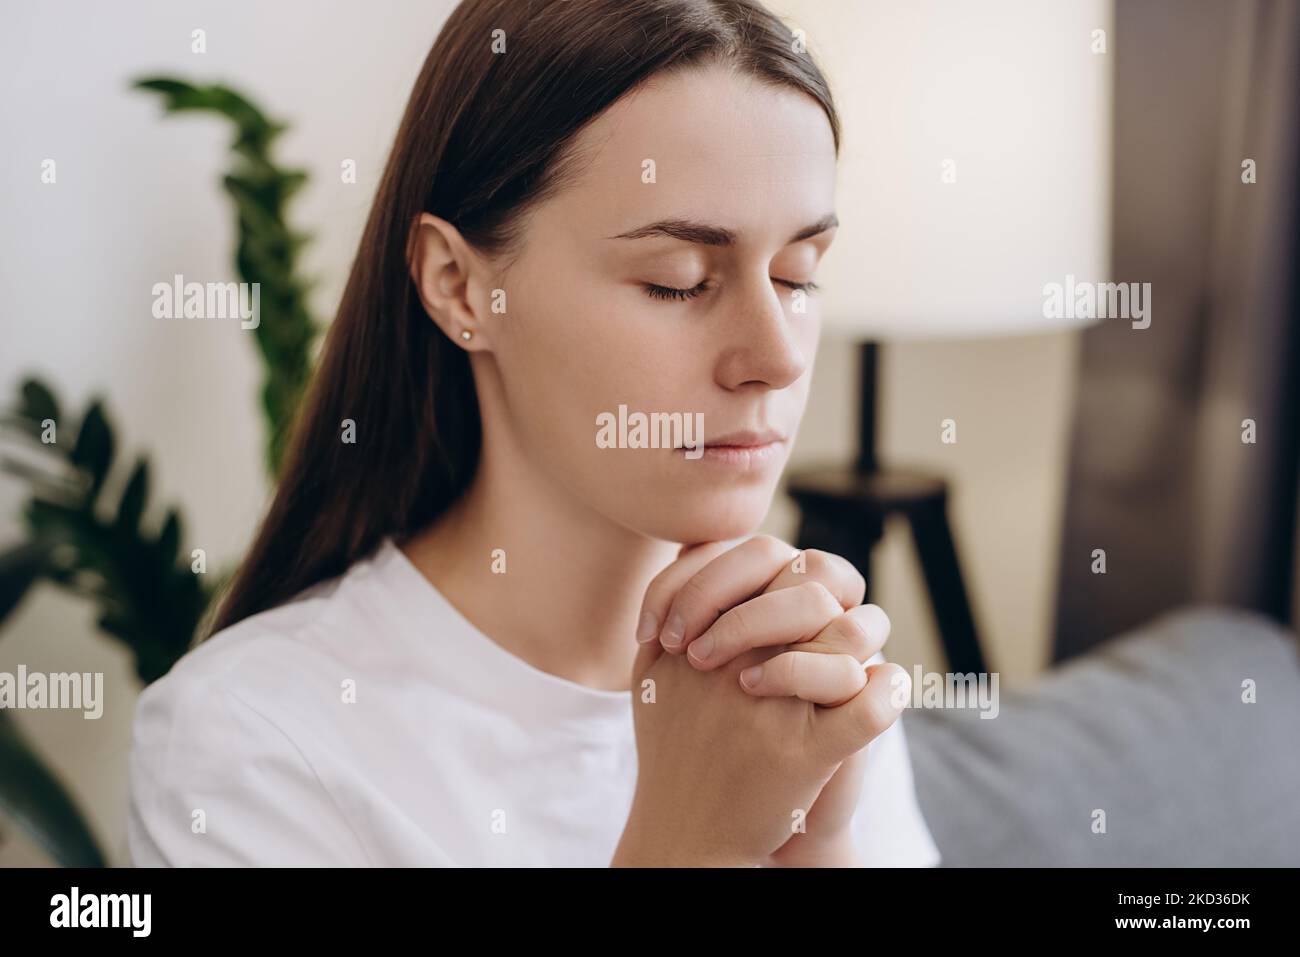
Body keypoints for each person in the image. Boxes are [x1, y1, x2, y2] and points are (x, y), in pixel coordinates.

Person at [128, 0, 941, 868]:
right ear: (459, 285)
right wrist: (699, 839)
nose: (775, 358)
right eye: (679, 281)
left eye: (797, 276)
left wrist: (822, 846)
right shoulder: (250, 745)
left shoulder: (794, 666)